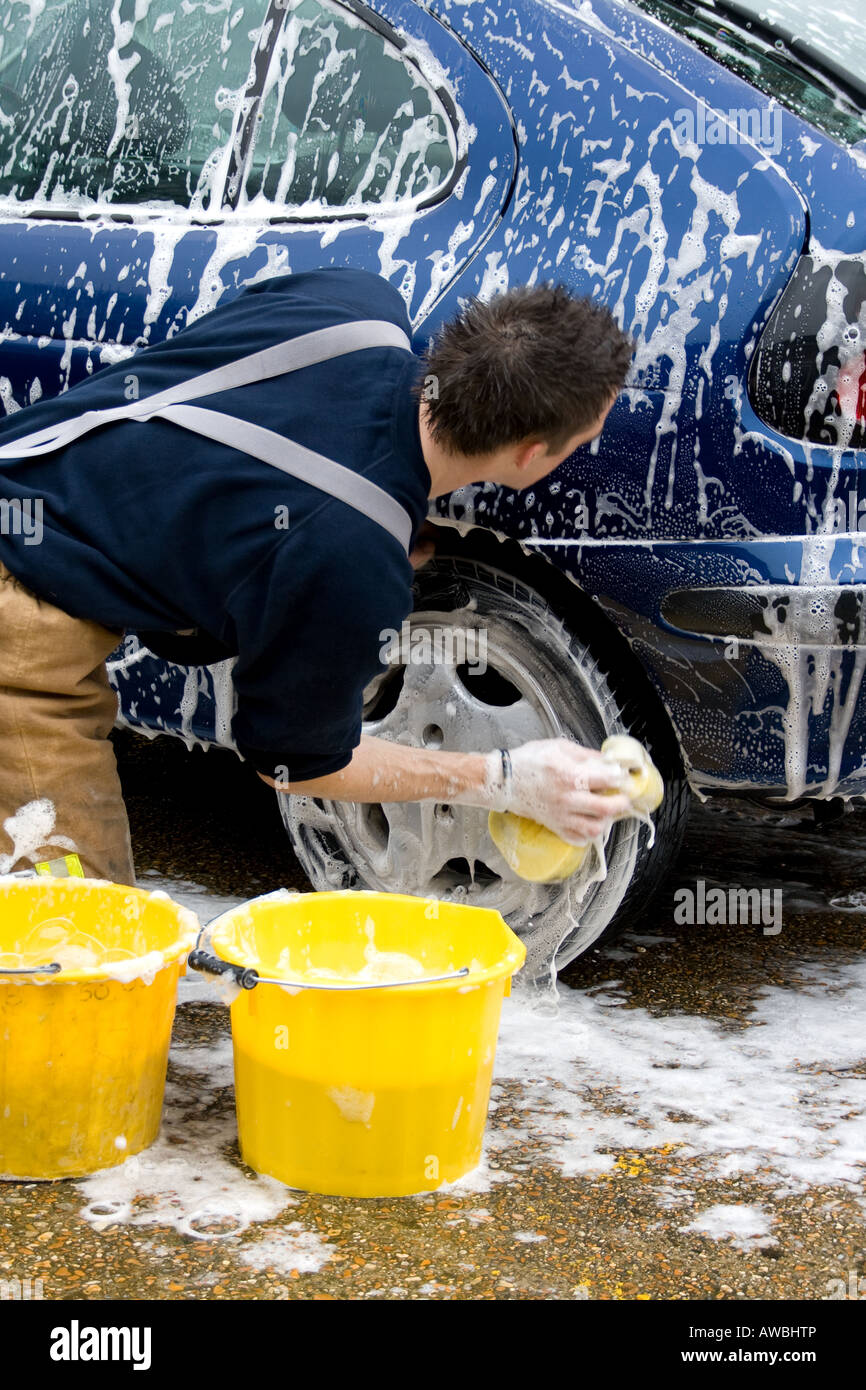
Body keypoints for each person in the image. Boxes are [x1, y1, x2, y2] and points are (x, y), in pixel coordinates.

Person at [0, 267, 634, 883]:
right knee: (76, 941)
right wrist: (500, 780)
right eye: (582, 439)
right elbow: (292, 764)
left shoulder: (352, 301)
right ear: (529, 454)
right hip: (18, 631)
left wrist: (336, 538)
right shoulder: (350, 556)